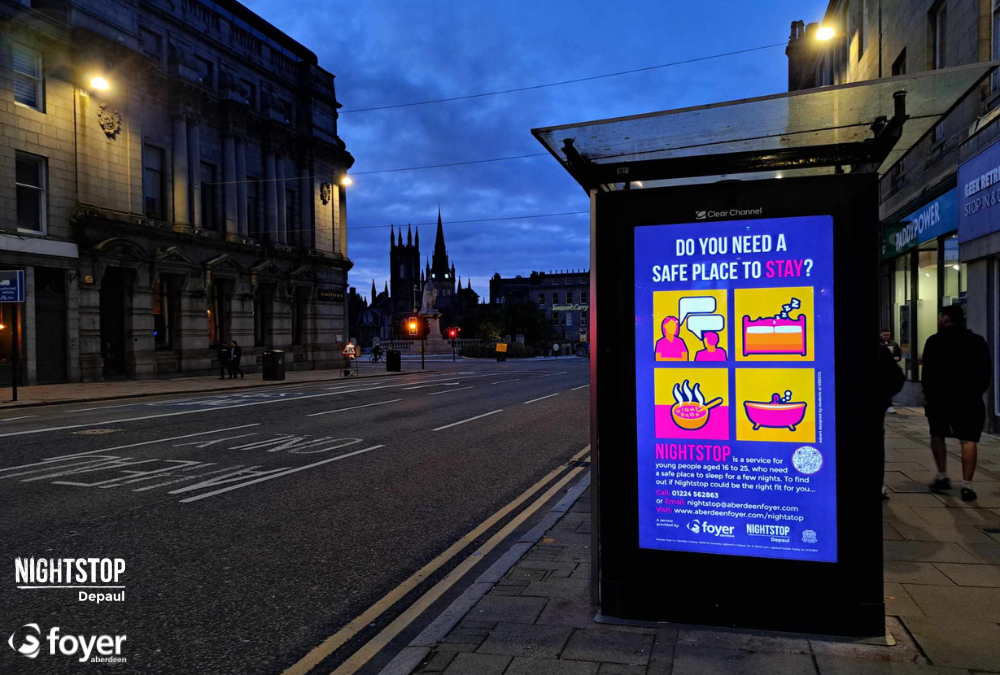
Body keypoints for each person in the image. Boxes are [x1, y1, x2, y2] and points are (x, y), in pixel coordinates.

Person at [922, 305, 991, 502]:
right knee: (968, 440)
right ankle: (967, 485)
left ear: (945, 318)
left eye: (939, 316)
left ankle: (943, 476)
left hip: (940, 400)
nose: (938, 319)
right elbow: (985, 372)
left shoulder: (934, 341)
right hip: (969, 400)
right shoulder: (977, 341)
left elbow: (927, 374)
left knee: (937, 434)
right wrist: (976, 392)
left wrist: (929, 395)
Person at [879, 340, 906, 500]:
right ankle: (879, 485)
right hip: (875, 405)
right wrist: (885, 396)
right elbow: (897, 378)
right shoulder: (881, 350)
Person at [880, 328, 902, 413]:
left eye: (888, 334)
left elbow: (899, 356)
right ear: (881, 334)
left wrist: (896, 359)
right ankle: (888, 404)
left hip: (890, 370)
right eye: (884, 335)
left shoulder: (894, 344)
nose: (886, 336)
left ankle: (888, 404)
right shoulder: (880, 344)